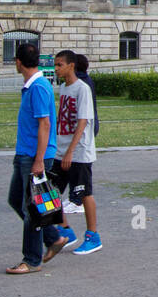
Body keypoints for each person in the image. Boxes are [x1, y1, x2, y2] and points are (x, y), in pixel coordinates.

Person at [5, 42, 64, 274]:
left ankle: (31, 260)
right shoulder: (32, 86)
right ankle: (53, 237)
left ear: (18, 62)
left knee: (31, 208)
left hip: (34, 156)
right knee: (16, 200)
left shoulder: (39, 87)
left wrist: (39, 160)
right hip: (25, 154)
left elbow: (45, 124)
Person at [51, 50, 101, 255]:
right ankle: (65, 229)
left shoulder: (83, 89)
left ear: (71, 65)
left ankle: (93, 236)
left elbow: (82, 122)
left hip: (79, 152)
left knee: (84, 193)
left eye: (59, 65)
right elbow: (62, 118)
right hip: (61, 150)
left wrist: (70, 151)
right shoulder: (63, 88)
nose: (56, 68)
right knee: (49, 192)